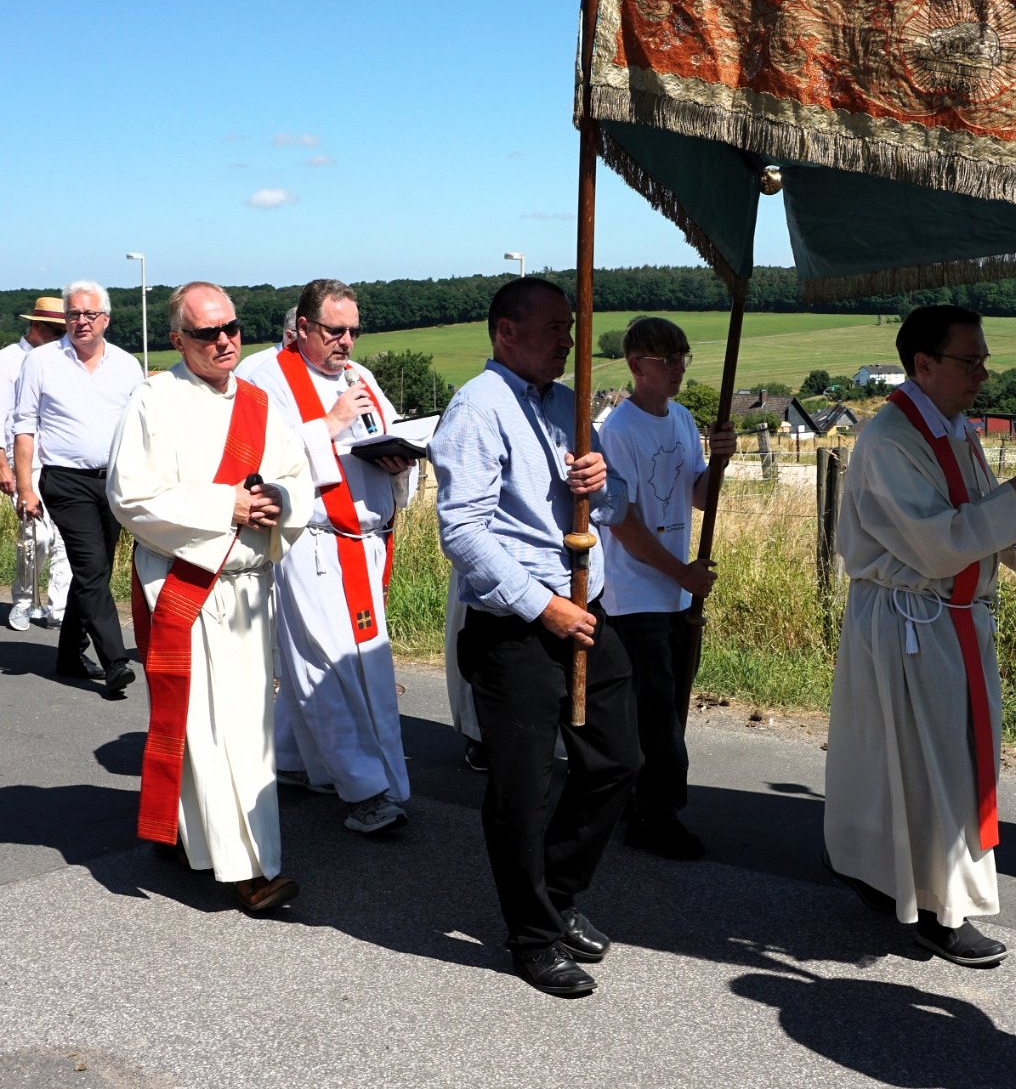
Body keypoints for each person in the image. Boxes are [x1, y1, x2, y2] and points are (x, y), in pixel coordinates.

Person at [821, 304, 1016, 968]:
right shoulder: (889, 440)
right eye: (970, 361)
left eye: (984, 360)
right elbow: (938, 544)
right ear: (923, 364)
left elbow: (975, 517)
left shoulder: (954, 430)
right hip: (911, 622)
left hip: (950, 622)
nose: (982, 374)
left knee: (927, 764)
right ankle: (942, 909)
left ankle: (888, 877)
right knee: (936, 770)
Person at [431, 276, 637, 998]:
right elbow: (462, 529)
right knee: (521, 788)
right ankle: (533, 934)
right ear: (505, 331)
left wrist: (600, 478)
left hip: (588, 604)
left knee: (616, 759)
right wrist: (539, 604)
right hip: (518, 625)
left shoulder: (567, 402)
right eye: (553, 327)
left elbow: (607, 505)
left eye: (569, 327)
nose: (568, 339)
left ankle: (557, 890)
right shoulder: (476, 408)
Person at [109, 281, 310, 914]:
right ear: (178, 340)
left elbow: (296, 477)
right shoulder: (153, 400)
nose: (224, 341)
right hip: (186, 585)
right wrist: (230, 504)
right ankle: (250, 867)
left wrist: (279, 501)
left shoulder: (259, 402)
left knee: (241, 728)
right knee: (209, 727)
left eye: (231, 328)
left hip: (250, 586)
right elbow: (131, 497)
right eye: (206, 333)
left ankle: (183, 832)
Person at [235, 278, 418, 833]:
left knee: (361, 663)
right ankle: (367, 790)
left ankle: (289, 757)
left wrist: (398, 460)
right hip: (310, 544)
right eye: (335, 332)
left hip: (363, 543)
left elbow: (389, 431)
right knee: (325, 666)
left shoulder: (360, 377)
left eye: (354, 332)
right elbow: (258, 459)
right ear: (305, 327)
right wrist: (329, 425)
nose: (346, 343)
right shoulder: (265, 377)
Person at [593, 316, 736, 860]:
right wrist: (681, 574)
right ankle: (656, 815)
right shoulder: (619, 432)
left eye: (682, 357)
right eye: (666, 359)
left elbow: (698, 495)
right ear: (636, 366)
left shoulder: (681, 419)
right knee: (653, 711)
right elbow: (624, 523)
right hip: (635, 595)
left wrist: (719, 461)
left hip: (676, 591)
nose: (678, 368)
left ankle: (642, 797)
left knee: (670, 703)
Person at [14, 281, 145, 692]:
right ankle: (115, 660)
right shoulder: (40, 362)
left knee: (95, 573)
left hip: (115, 481)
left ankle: (69, 653)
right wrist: (25, 487)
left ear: (105, 319)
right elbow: (23, 426)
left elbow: (141, 427)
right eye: (74, 314)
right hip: (65, 481)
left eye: (90, 315)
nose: (82, 322)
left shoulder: (127, 365)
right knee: (90, 567)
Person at [0, 295, 71, 633]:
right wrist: (1, 464)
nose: (60, 337)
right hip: (22, 462)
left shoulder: (61, 360)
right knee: (35, 536)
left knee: (64, 537)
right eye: (54, 330)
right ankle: (24, 600)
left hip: (58, 461)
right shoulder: (6, 360)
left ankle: (59, 605)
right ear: (35, 326)